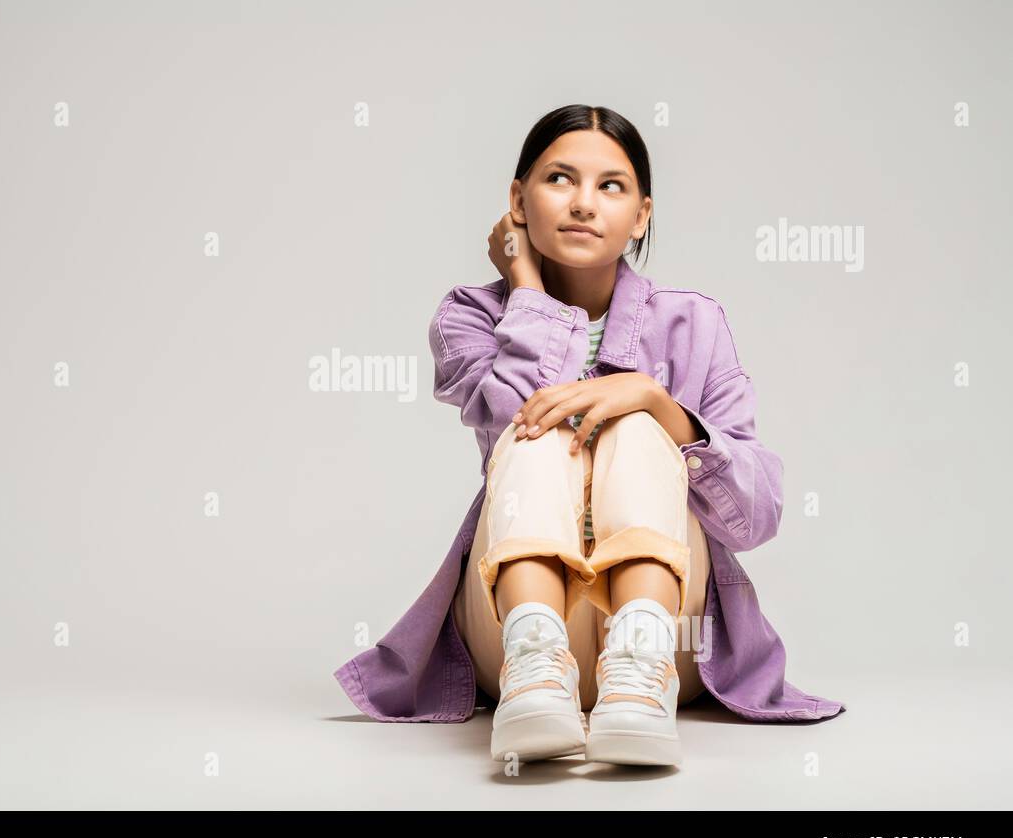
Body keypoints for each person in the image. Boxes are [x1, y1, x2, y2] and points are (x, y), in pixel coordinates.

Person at [332, 104, 846, 766]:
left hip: (668, 637)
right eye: (559, 180)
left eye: (610, 186)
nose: (582, 204)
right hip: (513, 633)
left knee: (635, 424)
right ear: (518, 200)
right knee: (541, 426)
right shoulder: (469, 317)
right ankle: (536, 677)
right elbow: (509, 421)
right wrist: (526, 287)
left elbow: (757, 515)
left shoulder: (695, 322)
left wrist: (662, 407)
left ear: (641, 215)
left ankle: (637, 683)